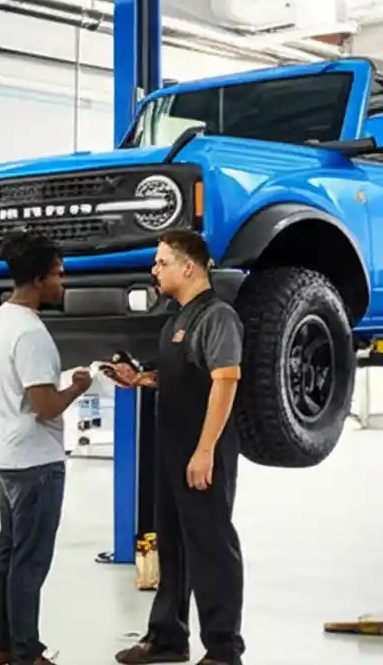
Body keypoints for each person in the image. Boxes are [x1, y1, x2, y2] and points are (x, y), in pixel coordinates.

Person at [108, 229, 247, 665]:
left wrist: (205, 450)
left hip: (201, 451)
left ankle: (224, 649)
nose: (155, 269)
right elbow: (188, 378)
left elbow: (226, 382)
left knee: (210, 547)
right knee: (171, 545)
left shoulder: (217, 316)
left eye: (162, 261)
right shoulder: (177, 317)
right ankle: (168, 638)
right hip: (172, 450)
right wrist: (142, 379)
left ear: (188, 267)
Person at [0, 230, 93, 665]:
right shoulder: (31, 332)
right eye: (59, 275)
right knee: (29, 564)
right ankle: (28, 653)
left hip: (5, 458)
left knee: (7, 555)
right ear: (40, 278)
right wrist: (78, 387)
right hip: (36, 463)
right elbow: (45, 406)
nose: (62, 284)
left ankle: (2, 646)